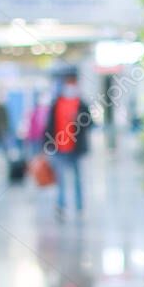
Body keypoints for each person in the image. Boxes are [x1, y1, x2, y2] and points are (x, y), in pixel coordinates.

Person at [44, 74, 92, 220]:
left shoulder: (81, 104)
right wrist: (47, 143)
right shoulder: (57, 104)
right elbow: (50, 125)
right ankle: (61, 206)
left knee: (77, 178)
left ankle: (79, 207)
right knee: (61, 179)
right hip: (59, 147)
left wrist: (78, 119)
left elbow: (89, 123)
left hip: (75, 148)